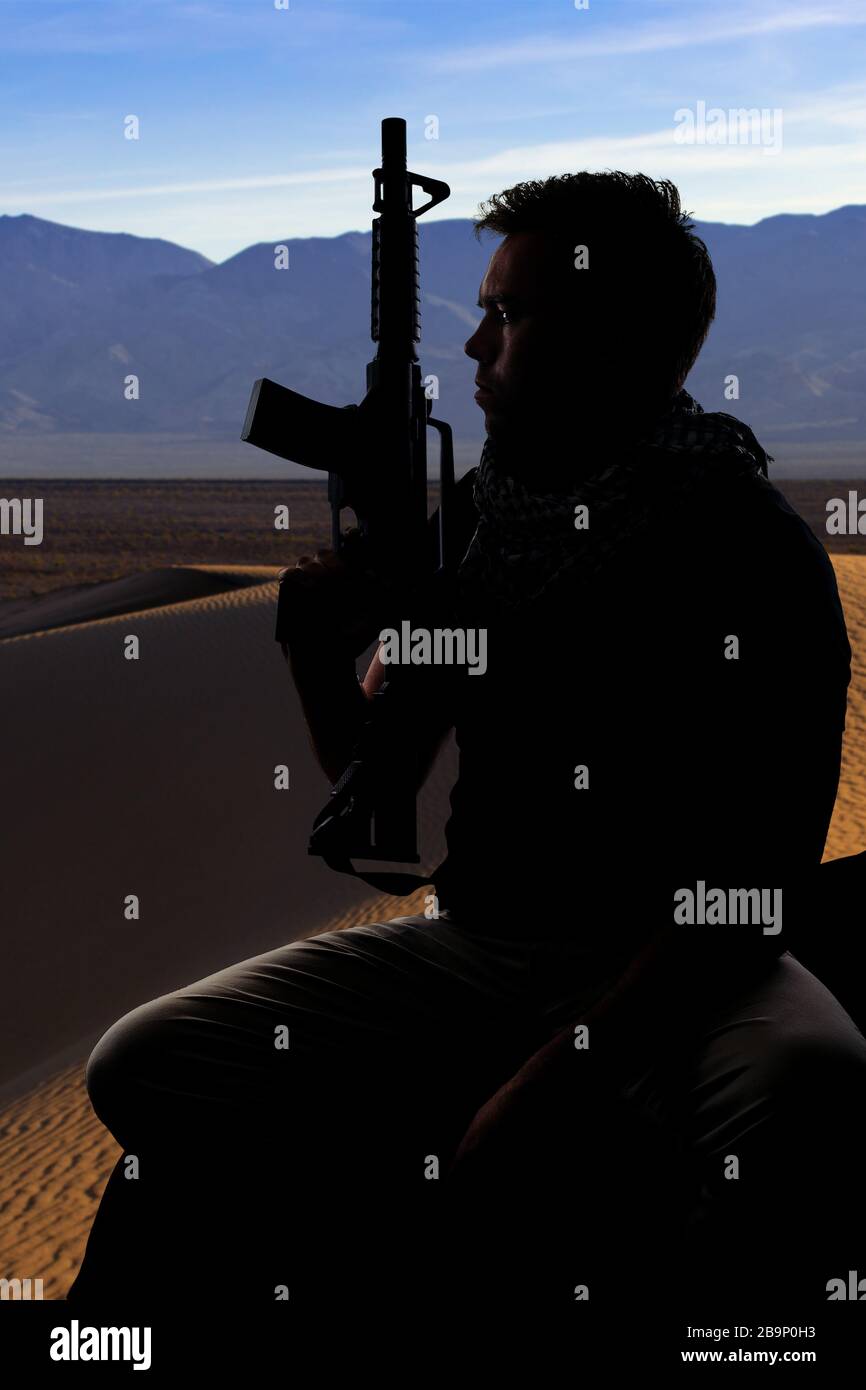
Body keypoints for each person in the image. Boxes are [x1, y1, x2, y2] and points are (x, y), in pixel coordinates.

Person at [67, 172, 866, 1317]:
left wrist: (568, 1072)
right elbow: (376, 804)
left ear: (615, 337)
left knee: (808, 1089)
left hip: (683, 969)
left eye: (511, 313)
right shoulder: (486, 517)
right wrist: (315, 652)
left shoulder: (744, 549)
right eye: (481, 308)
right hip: (479, 945)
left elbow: (752, 886)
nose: (478, 344)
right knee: (143, 1060)